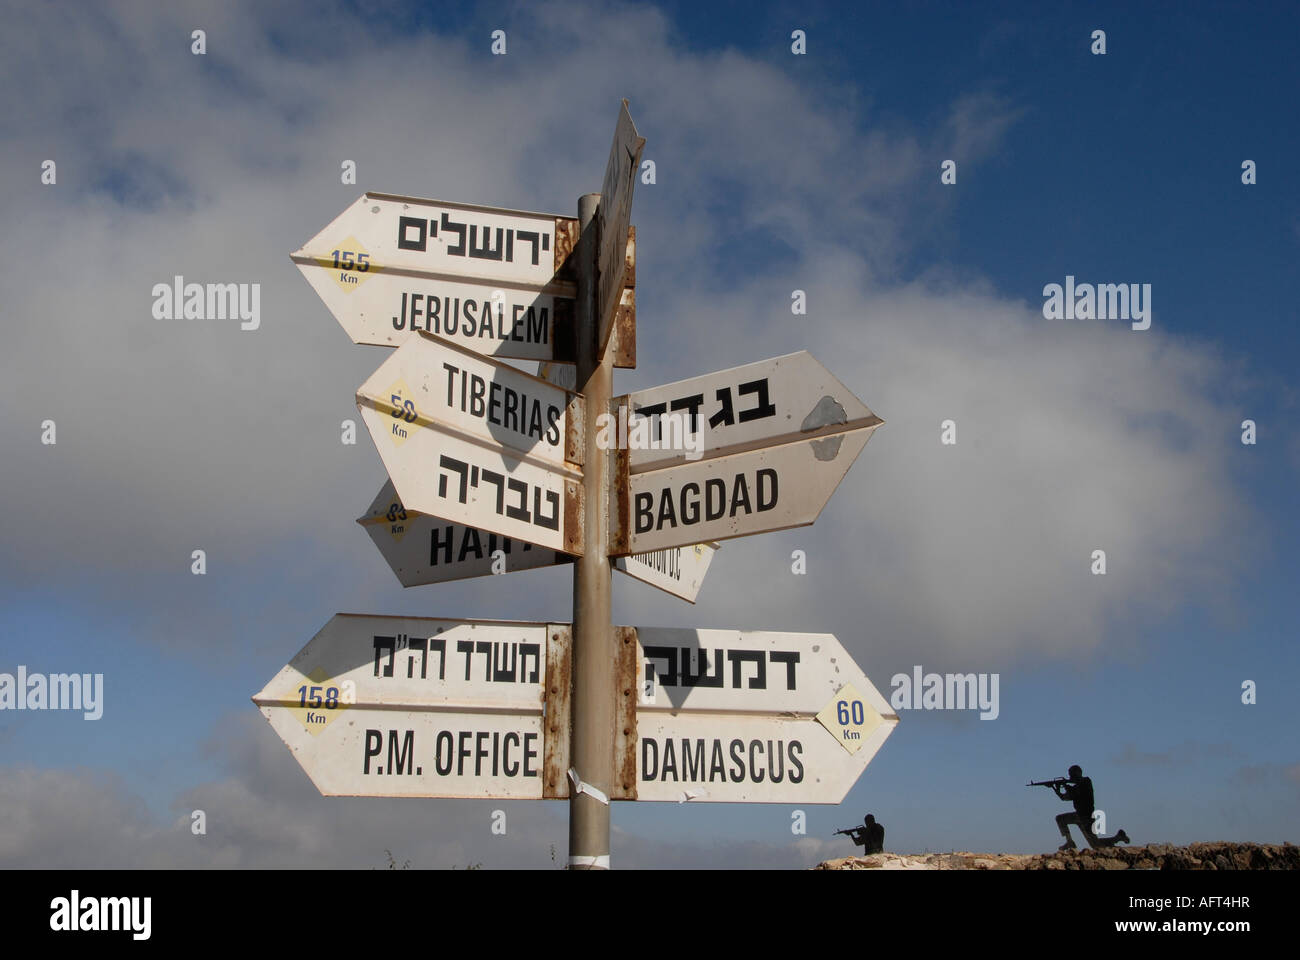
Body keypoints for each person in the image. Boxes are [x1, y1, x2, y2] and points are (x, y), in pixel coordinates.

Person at [1051, 765, 1130, 850]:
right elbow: (1064, 797)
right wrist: (1056, 789)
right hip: (1079, 816)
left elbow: (1076, 793)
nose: (1070, 777)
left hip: (1086, 817)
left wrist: (1065, 785)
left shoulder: (1086, 781)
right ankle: (1069, 841)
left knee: (1096, 845)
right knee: (1060, 819)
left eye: (1072, 774)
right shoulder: (1076, 786)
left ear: (1078, 773)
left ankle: (1118, 838)